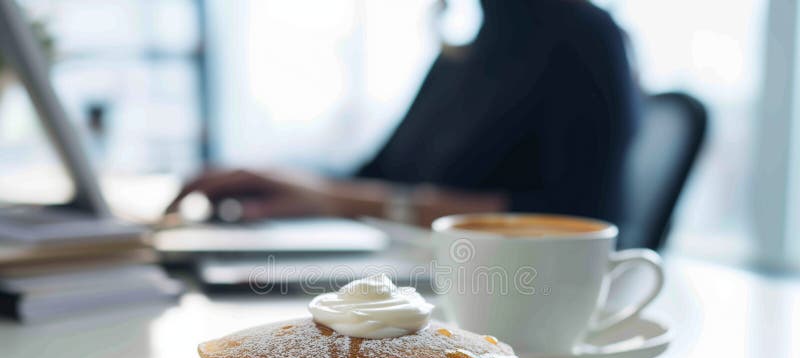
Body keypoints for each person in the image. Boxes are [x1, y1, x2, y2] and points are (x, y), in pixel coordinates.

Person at [168, 0, 639, 227]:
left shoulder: (585, 39)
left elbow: (571, 217)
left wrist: (338, 199)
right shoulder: (464, 53)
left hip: (510, 303)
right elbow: (378, 174)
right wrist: (284, 181)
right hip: (428, 283)